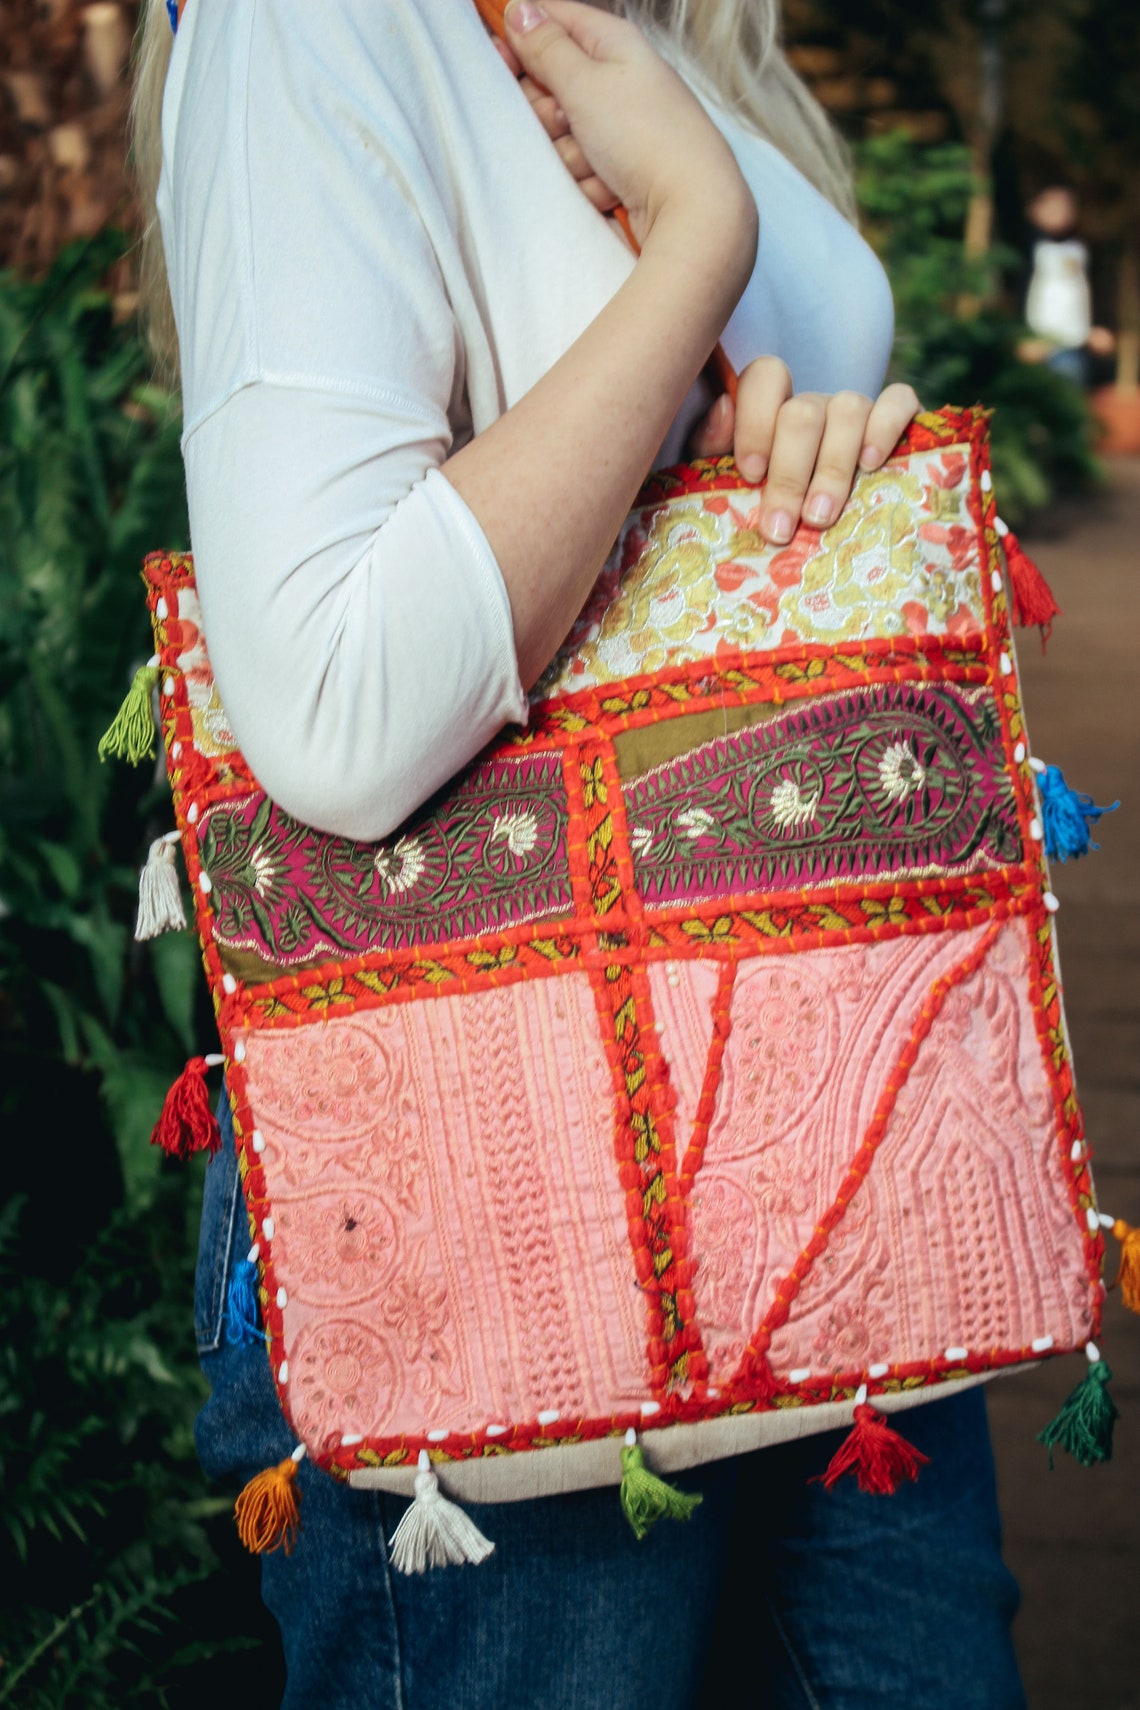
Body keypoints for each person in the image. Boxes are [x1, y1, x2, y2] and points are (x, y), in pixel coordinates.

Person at [133, 2, 1027, 1704]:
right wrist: (698, 243)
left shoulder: (672, 32)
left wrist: (802, 483)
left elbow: (661, 512)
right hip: (502, 1201)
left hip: (833, 1150)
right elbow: (332, 709)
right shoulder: (313, 25)